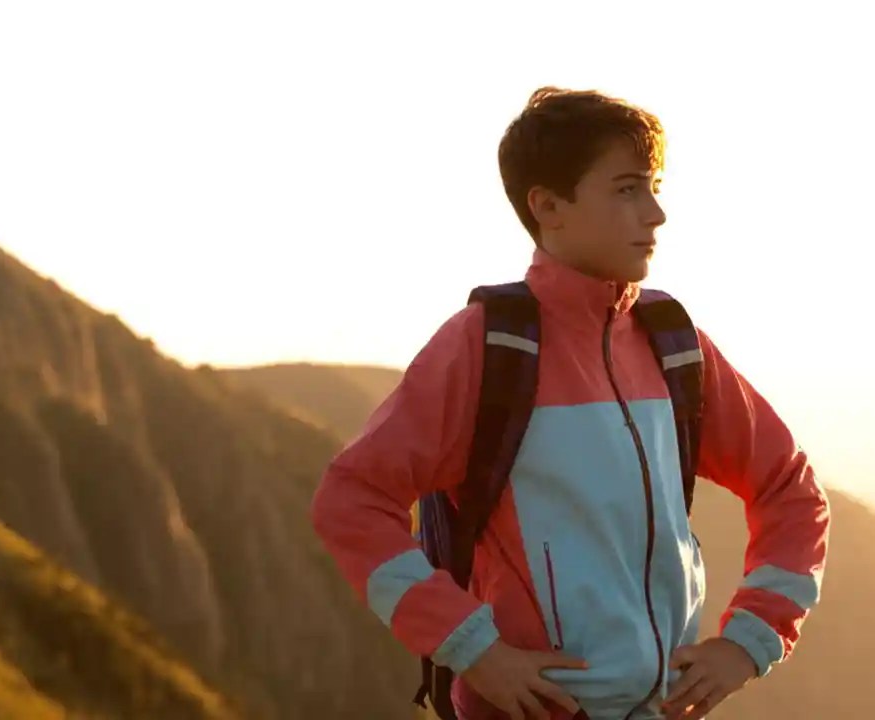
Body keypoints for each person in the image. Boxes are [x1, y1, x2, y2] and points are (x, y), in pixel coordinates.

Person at [311, 87, 831, 720]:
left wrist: (750, 639)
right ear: (548, 206)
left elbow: (789, 487)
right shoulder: (487, 346)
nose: (656, 213)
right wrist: (475, 650)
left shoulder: (672, 343)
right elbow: (351, 500)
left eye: (653, 185)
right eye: (626, 189)